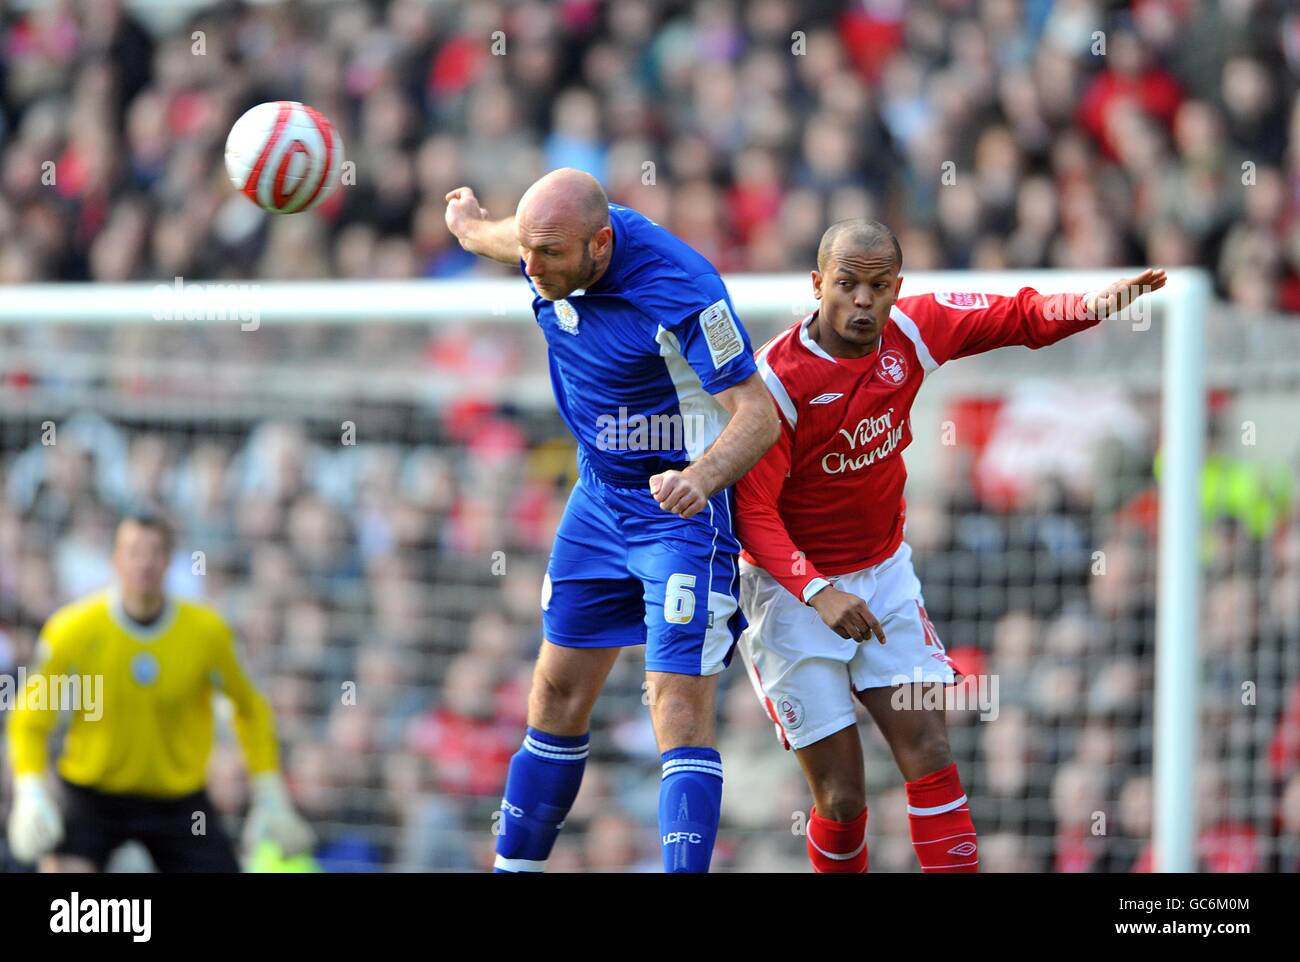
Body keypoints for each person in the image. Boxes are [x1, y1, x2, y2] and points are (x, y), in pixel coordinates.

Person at [735, 217, 1166, 872]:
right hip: (791, 596)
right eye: (846, 284)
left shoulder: (910, 331)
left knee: (930, 752)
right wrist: (819, 593)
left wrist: (1089, 306)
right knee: (843, 796)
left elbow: (1015, 318)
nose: (862, 300)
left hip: (881, 578)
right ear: (817, 283)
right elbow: (753, 513)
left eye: (877, 286)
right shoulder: (776, 382)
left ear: (896, 288)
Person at [444, 168, 779, 872]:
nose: (531, 269)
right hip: (598, 500)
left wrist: (701, 478)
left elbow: (758, 415)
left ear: (600, 245)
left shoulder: (682, 288)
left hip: (679, 514)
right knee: (555, 692)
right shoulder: (548, 246)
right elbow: (518, 239)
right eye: (527, 252)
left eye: (550, 256)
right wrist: (474, 230)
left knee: (676, 706)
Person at [5, 509, 314, 872]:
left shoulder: (205, 634)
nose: (144, 563)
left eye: (155, 552)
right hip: (93, 794)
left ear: (169, 560)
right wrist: (30, 791)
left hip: (178, 800)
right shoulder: (73, 631)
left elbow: (250, 709)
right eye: (133, 551)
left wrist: (269, 791)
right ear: (115, 560)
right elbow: (30, 719)